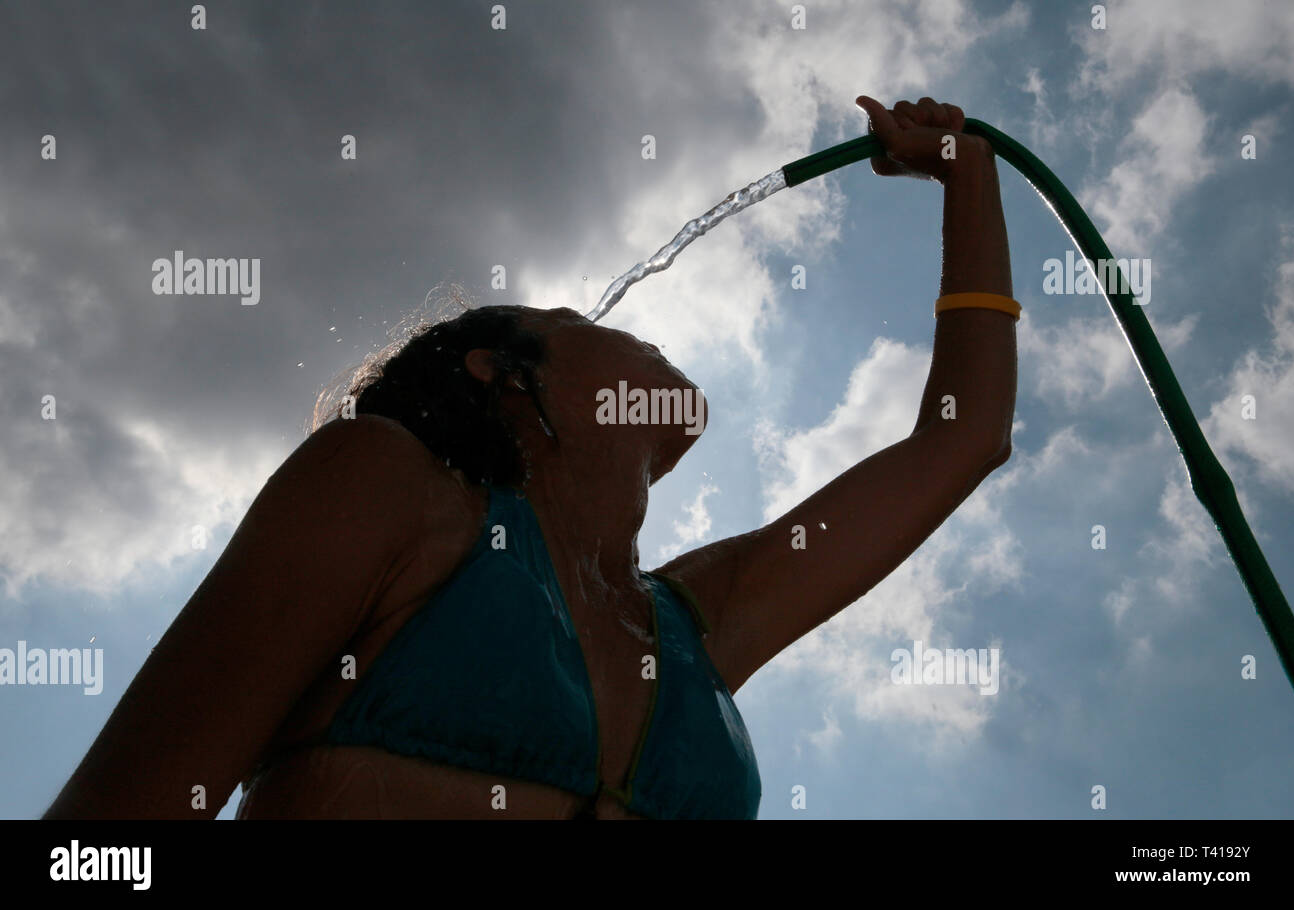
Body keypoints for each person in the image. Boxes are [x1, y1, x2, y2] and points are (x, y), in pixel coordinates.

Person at [43, 96, 1017, 819]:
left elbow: (962, 436)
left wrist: (967, 177)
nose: (639, 341)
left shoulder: (698, 625)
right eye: (575, 320)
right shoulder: (382, 486)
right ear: (501, 372)